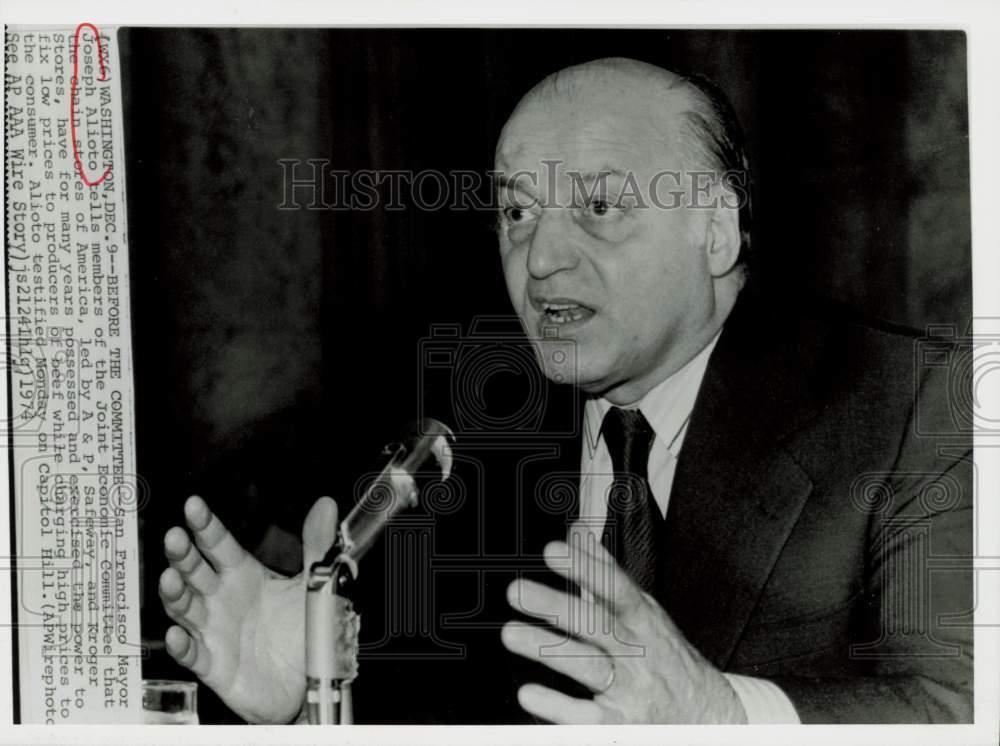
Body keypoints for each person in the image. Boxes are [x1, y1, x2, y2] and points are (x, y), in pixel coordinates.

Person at [157, 57, 972, 724]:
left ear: (715, 228)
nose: (540, 257)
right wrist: (313, 697)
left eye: (599, 205)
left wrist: (721, 719)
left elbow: (957, 707)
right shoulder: (455, 435)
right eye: (517, 212)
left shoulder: (910, 404)